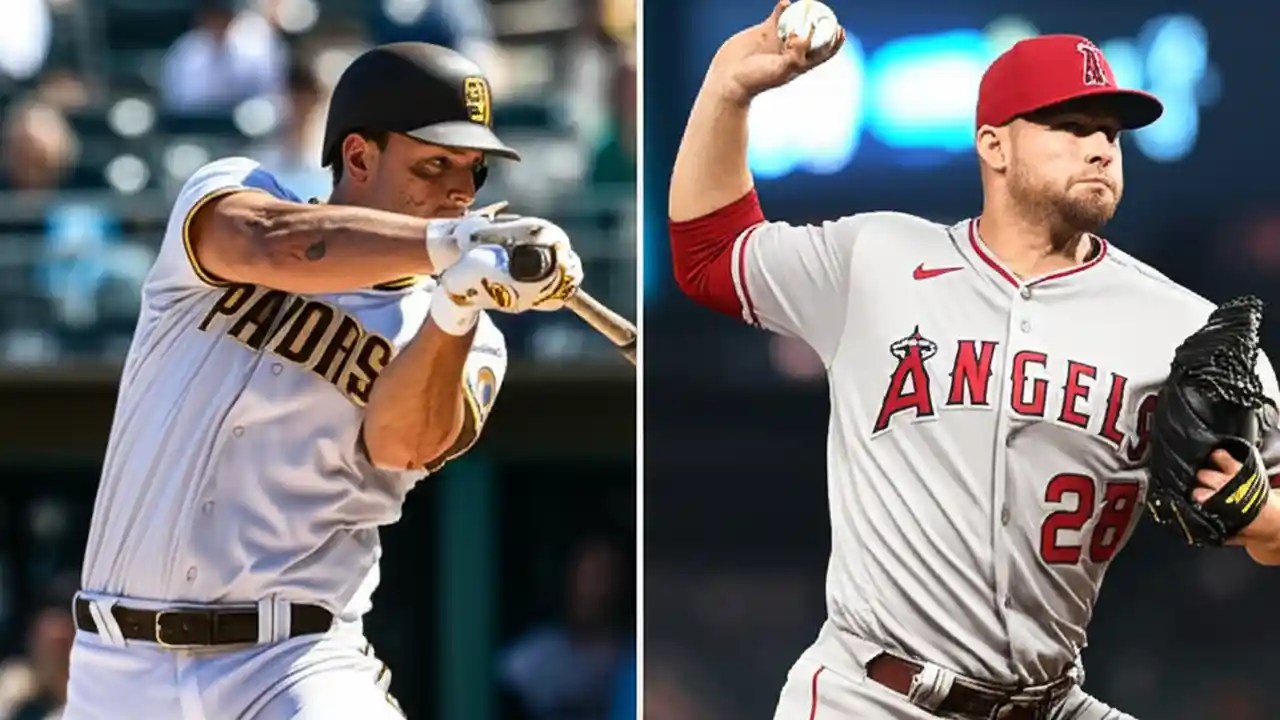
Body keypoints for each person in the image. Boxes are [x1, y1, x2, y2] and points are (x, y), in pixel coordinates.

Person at [667, 4, 1280, 719]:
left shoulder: (1180, 327)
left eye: (1110, 133)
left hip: (1048, 700)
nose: (1099, 149)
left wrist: (1257, 513)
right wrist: (728, 90)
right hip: (872, 695)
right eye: (1070, 126)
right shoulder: (879, 258)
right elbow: (709, 255)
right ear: (994, 145)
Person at [64, 42, 584, 719]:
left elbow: (402, 445)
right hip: (116, 664)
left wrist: (456, 305)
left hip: (293, 662)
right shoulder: (239, 191)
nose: (460, 192)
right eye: (434, 164)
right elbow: (263, 241)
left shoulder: (471, 337)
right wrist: (445, 244)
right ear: (359, 157)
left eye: (473, 171)